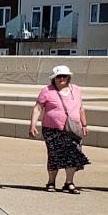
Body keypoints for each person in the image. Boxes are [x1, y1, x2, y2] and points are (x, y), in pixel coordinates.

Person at [29, 64, 90, 193]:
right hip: (52, 129)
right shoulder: (47, 90)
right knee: (53, 155)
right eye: (59, 76)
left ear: (69, 77)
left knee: (72, 154)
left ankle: (69, 183)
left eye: (64, 76)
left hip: (73, 129)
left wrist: (84, 125)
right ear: (54, 78)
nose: (62, 78)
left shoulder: (76, 90)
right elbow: (38, 108)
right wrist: (33, 124)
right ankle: (51, 182)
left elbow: (81, 108)